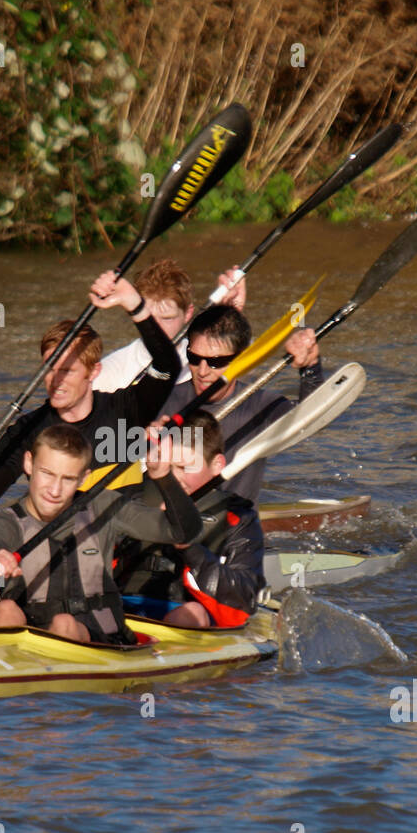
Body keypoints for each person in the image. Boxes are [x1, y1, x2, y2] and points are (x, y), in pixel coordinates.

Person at [0, 270, 181, 523]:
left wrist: (133, 304)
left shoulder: (126, 410)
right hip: (64, 543)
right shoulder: (27, 432)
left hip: (126, 536)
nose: (55, 380)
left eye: (67, 370)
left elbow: (168, 365)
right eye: (50, 368)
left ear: (94, 372)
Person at [0, 423, 201, 644]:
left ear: (83, 478)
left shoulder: (103, 506)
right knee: (5, 610)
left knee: (63, 624)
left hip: (102, 638)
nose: (55, 490)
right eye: (47, 473)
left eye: (68, 479)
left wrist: (163, 477)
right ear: (29, 464)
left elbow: (183, 532)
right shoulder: (7, 522)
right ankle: (4, 671)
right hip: (29, 636)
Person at [115, 410, 264, 628]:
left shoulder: (238, 517)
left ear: (217, 465)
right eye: (170, 467)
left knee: (190, 613)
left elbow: (245, 598)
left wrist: (190, 548)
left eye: (185, 467)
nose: (174, 477)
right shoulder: (134, 498)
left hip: (186, 615)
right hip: (123, 604)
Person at [159, 303, 321, 505]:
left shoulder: (261, 405)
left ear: (241, 359)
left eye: (216, 362)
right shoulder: (163, 400)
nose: (202, 371)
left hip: (235, 526)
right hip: (167, 516)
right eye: (194, 358)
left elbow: (311, 420)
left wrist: (310, 368)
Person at [91, 260, 247, 393]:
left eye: (167, 318)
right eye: (148, 319)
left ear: (188, 314)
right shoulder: (110, 373)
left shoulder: (207, 360)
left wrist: (232, 310)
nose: (156, 329)